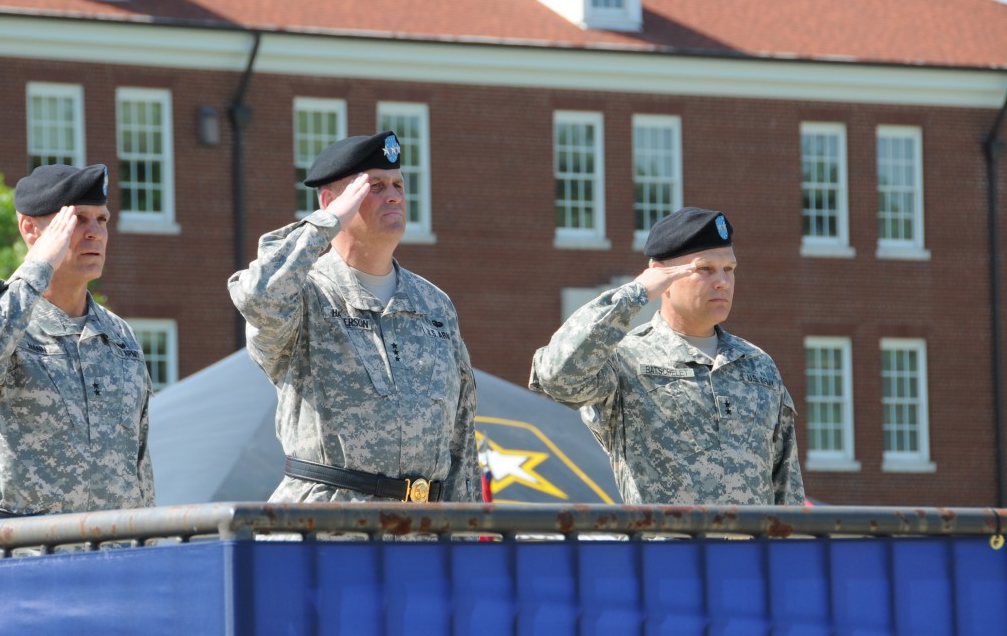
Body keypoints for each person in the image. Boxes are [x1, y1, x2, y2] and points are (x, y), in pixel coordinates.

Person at [229, 131, 480, 503]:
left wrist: (465, 540)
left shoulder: (434, 305)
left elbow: (461, 437)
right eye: (374, 186)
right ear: (332, 202)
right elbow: (257, 295)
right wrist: (325, 223)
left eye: (397, 184)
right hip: (330, 528)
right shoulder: (305, 295)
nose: (393, 194)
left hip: (424, 530)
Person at [529, 206, 805, 506]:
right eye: (705, 269)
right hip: (665, 551)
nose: (723, 282)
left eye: (729, 269)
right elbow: (558, 377)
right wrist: (634, 294)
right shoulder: (626, 360)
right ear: (661, 277)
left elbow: (786, 486)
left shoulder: (758, 365)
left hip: (751, 552)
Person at [0, 163, 156, 520]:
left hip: (114, 556)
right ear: (30, 228)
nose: (95, 233)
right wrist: (37, 268)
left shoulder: (119, 336)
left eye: (102, 220)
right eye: (77, 219)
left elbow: (139, 463)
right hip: (22, 555)